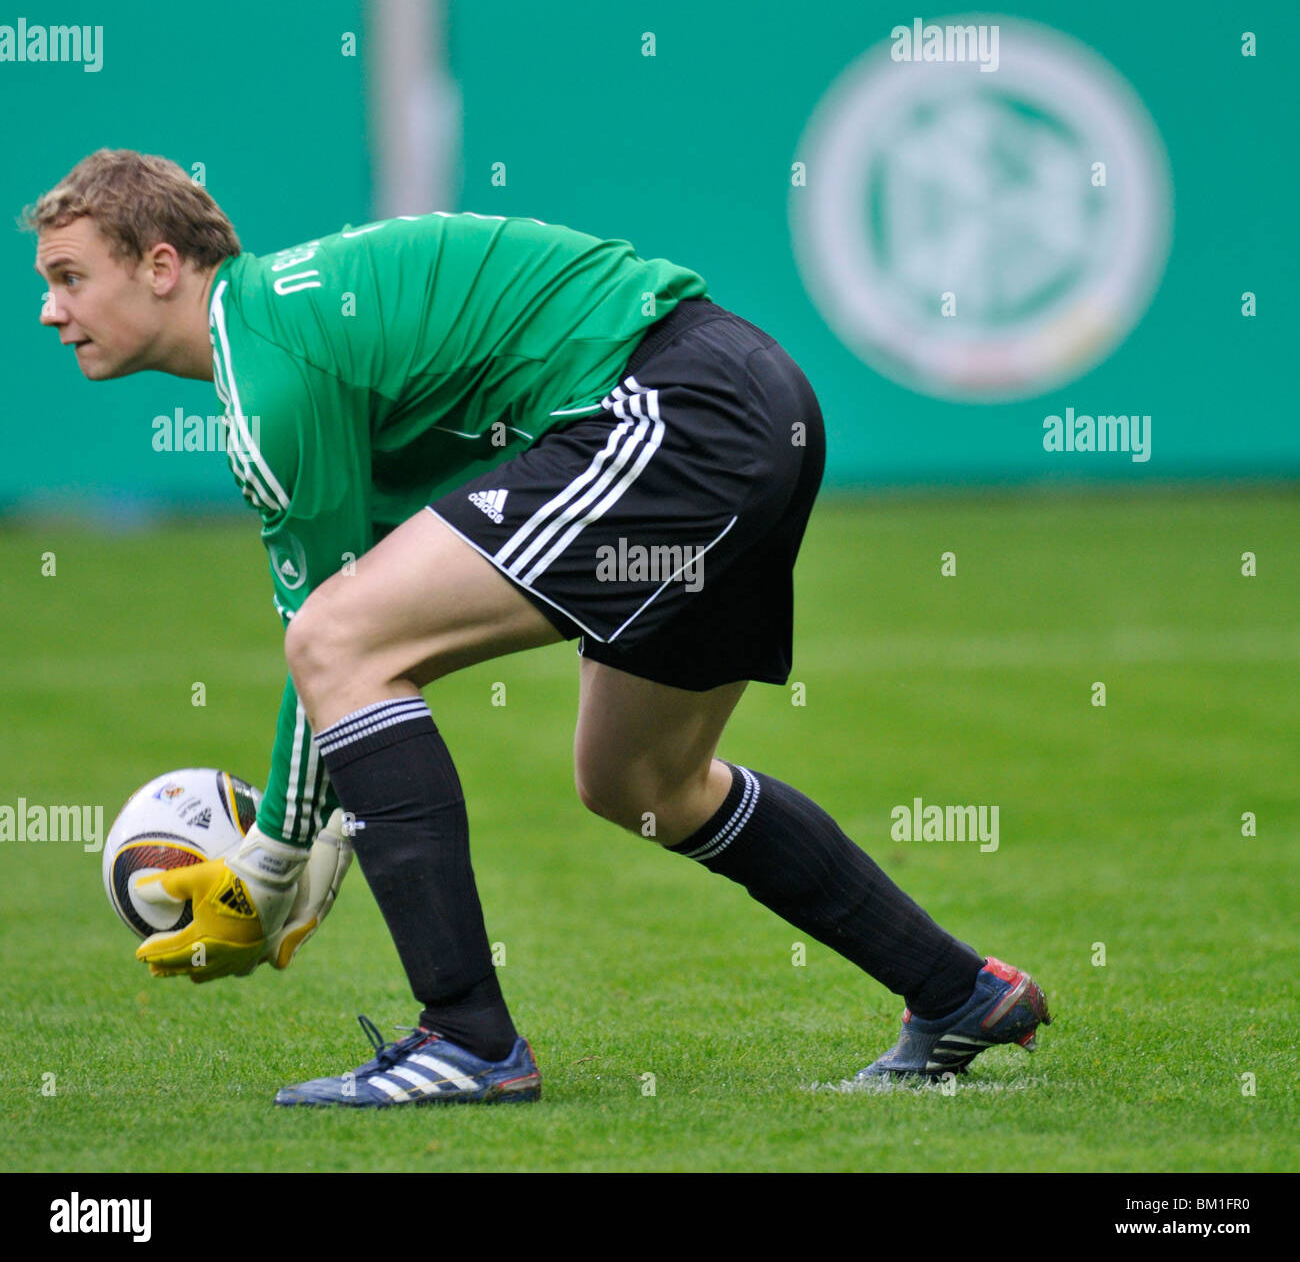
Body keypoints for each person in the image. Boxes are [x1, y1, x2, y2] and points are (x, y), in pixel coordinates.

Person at [27, 149, 1050, 1104]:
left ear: (161, 265)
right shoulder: (285, 336)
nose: (48, 310)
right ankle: (958, 991)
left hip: (673, 408)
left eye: (70, 277)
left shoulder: (269, 373)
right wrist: (294, 839)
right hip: (736, 399)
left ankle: (466, 1038)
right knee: (641, 784)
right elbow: (341, 623)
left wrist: (272, 862)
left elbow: (327, 634)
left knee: (347, 640)